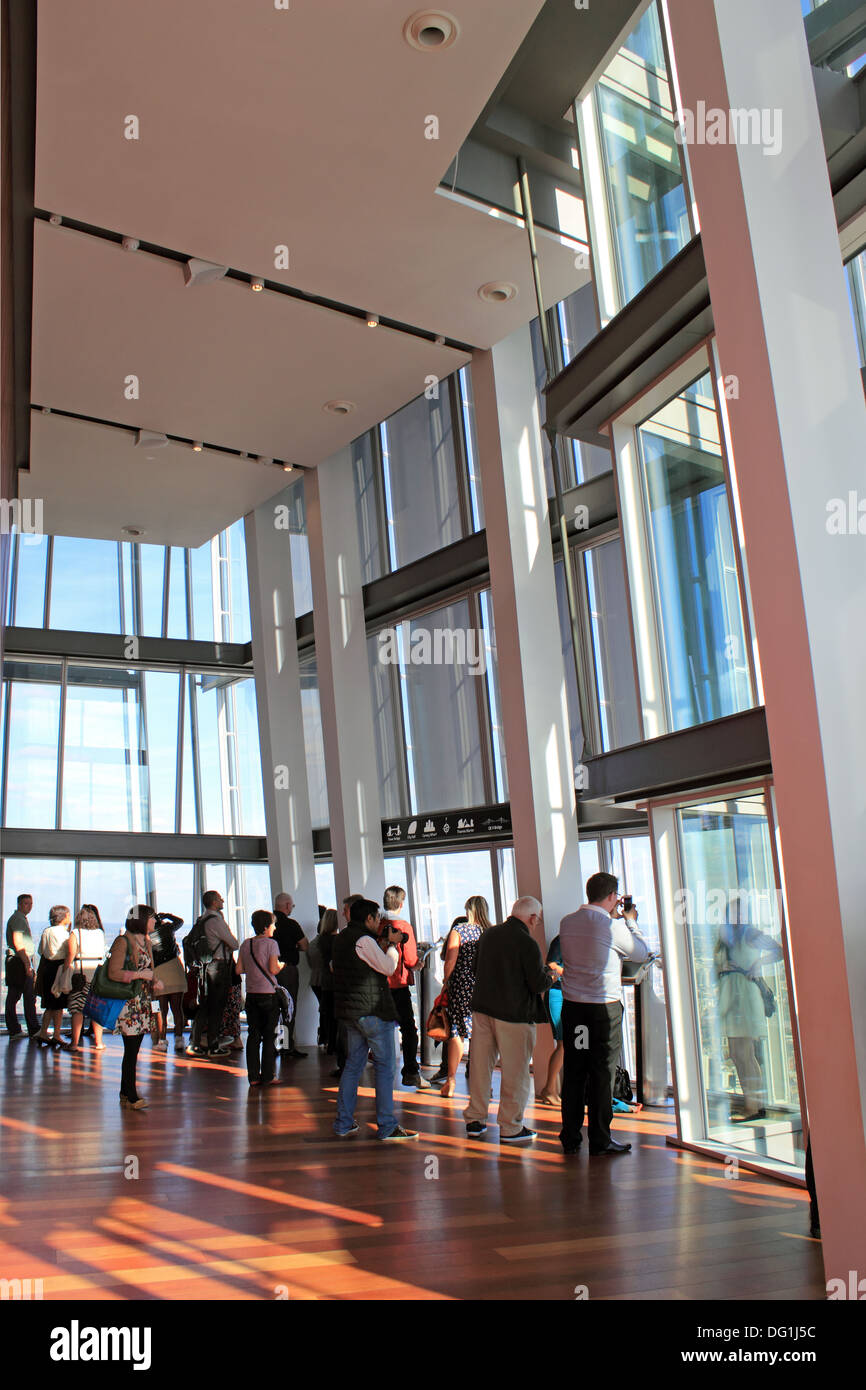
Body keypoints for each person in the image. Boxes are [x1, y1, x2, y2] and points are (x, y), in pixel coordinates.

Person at [559, 872, 648, 1157]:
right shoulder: (611, 927)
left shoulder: (567, 922)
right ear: (612, 897)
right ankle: (599, 1138)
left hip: (574, 1008)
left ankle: (570, 1137)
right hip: (602, 1011)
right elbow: (640, 953)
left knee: (574, 1071)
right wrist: (630, 920)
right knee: (601, 1073)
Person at [463, 896, 561, 1143]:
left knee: (480, 1067)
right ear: (531, 917)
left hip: (483, 1010)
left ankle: (475, 1119)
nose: (536, 924)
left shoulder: (489, 934)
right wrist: (553, 975)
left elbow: (475, 968)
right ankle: (510, 1126)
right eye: (536, 919)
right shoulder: (526, 942)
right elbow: (537, 983)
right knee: (515, 1071)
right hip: (514, 1015)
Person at [331, 898, 418, 1141]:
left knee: (352, 1067)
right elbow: (388, 968)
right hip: (373, 1012)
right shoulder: (363, 940)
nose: (379, 922)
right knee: (385, 1068)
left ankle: (343, 1122)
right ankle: (387, 1126)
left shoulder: (342, 939)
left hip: (351, 1012)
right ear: (368, 918)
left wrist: (382, 942)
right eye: (377, 918)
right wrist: (392, 945)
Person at [714, 913, 783, 1123]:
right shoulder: (725, 938)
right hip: (731, 994)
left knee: (744, 1052)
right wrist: (721, 968)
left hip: (744, 994)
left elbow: (779, 950)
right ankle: (753, 1104)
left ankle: (754, 1106)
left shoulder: (749, 933)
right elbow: (715, 965)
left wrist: (758, 964)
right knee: (738, 1053)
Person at [108, 905, 160, 1110]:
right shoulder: (123, 942)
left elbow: (148, 969)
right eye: (151, 918)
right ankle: (131, 1094)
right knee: (131, 1050)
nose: (154, 922)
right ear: (141, 920)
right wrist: (141, 975)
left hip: (141, 1002)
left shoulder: (145, 941)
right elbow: (114, 973)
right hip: (129, 1004)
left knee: (134, 1050)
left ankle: (125, 1090)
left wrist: (154, 980)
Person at [440, 896, 491, 1097]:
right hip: (485, 987)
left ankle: (451, 1081)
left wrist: (446, 982)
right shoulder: (491, 932)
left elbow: (450, 961)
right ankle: (484, 1083)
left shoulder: (459, 931)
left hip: (462, 987)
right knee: (482, 1035)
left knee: (457, 1033)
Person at [382, 885, 429, 1089]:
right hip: (397, 984)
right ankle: (410, 1070)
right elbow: (409, 959)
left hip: (379, 985)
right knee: (409, 1029)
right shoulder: (403, 926)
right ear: (401, 903)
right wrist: (417, 964)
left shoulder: (377, 924)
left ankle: (382, 1068)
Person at [189, 890, 238, 1058]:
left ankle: (195, 1043)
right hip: (219, 967)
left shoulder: (201, 920)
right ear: (214, 902)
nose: (222, 900)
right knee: (217, 1006)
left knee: (205, 1005)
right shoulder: (216, 921)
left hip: (205, 966)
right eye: (220, 899)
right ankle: (213, 1045)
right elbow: (234, 943)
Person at [238, 909, 283, 1087]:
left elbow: (238, 969)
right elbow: (273, 969)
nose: (274, 927)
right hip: (268, 994)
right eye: (273, 924)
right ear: (266, 927)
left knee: (253, 1035)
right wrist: (282, 965)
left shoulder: (246, 944)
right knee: (269, 1036)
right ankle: (268, 1075)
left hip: (251, 994)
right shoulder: (272, 944)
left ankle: (253, 1076)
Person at [33, 905, 77, 1049]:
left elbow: (41, 950)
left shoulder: (46, 932)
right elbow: (69, 951)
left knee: (50, 1003)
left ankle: (44, 1032)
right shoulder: (65, 934)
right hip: (60, 968)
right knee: (58, 1004)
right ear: (64, 917)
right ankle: (56, 1034)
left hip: (47, 968)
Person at [273, 891, 308, 1058]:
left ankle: (274, 1044)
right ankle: (286, 1046)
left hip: (269, 971)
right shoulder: (291, 925)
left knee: (274, 1008)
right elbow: (305, 946)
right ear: (287, 906)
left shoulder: (267, 923)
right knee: (288, 1007)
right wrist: (293, 947)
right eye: (292, 906)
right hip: (287, 969)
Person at [68, 904, 106, 1051]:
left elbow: (71, 954)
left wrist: (65, 970)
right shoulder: (100, 933)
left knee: (78, 1009)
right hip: (97, 973)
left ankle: (74, 1043)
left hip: (81, 973)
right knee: (96, 1009)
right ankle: (99, 1042)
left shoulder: (75, 933)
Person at [4, 893, 40, 1040]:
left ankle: (17, 1028)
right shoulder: (18, 919)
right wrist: (27, 965)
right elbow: (18, 943)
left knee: (17, 995)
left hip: (19, 961)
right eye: (26, 903)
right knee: (24, 995)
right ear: (19, 904)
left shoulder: (19, 918)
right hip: (19, 961)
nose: (29, 906)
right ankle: (30, 1028)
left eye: (31, 903)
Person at [150, 911, 186, 1054]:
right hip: (175, 969)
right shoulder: (168, 929)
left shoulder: (147, 936)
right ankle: (179, 1039)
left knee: (161, 1011)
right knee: (177, 1009)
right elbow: (180, 921)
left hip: (159, 973)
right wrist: (167, 915)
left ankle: (162, 1041)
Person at [536, 933, 564, 1105]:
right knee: (563, 1043)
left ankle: (550, 1089)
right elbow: (551, 963)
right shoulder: (561, 940)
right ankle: (549, 1088)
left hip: (570, 993)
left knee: (568, 1043)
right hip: (558, 993)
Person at [308, 908, 339, 1053]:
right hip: (330, 981)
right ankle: (330, 1041)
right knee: (332, 1013)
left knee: (325, 1011)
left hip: (318, 980)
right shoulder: (336, 941)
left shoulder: (316, 942)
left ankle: (326, 1039)